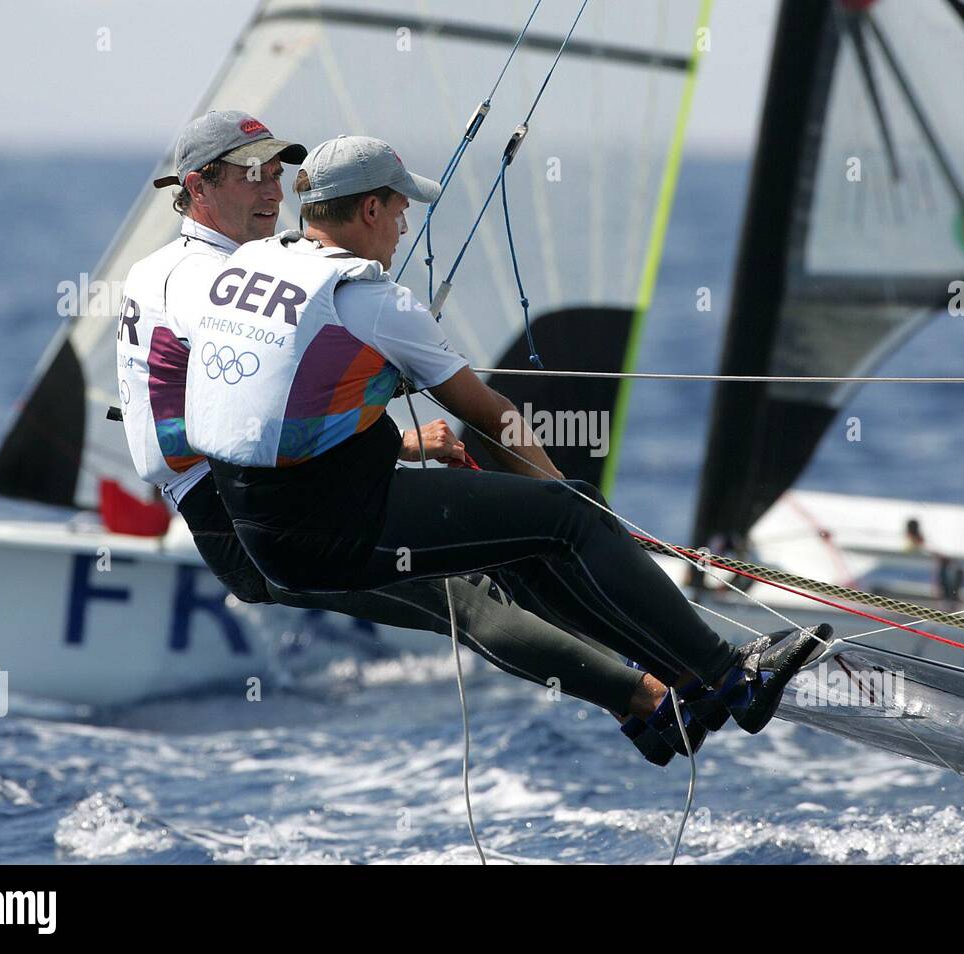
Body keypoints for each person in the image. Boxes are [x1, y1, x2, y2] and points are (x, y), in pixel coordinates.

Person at [184, 134, 829, 750]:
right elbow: (493, 417)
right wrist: (574, 505)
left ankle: (668, 694)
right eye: (401, 208)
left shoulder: (248, 265)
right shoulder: (372, 301)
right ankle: (732, 677)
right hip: (330, 528)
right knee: (567, 517)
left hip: (256, 531)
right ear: (371, 208)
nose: (404, 227)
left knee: (517, 549)